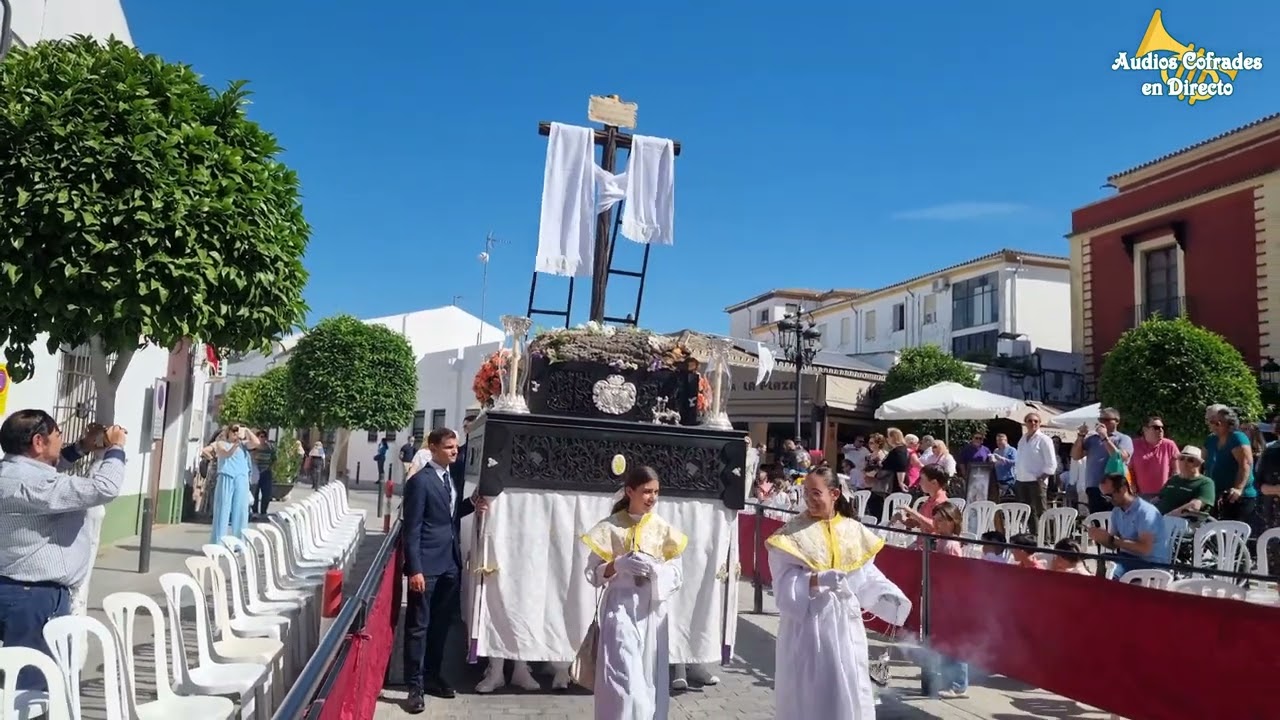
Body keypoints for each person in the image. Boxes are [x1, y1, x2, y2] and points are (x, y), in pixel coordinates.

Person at [767, 466, 911, 719]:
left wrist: (889, 594)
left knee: (850, 684)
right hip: (809, 626)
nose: (809, 500)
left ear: (834, 494)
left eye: (815, 493)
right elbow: (782, 581)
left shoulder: (853, 531)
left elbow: (865, 575)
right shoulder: (790, 534)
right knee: (814, 690)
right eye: (805, 493)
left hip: (845, 623)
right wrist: (816, 580)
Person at [0, 411, 128, 689]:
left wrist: (83, 447)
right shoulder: (37, 485)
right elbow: (104, 487)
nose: (61, 442)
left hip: (12, 588)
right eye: (58, 436)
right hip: (35, 599)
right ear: (38, 441)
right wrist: (116, 447)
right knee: (31, 687)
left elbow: (50, 470)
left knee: (12, 679)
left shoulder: (10, 473)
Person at [580, 466, 687, 719]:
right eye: (646, 491)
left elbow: (678, 574)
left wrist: (656, 571)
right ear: (630, 491)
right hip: (620, 610)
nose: (652, 498)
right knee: (624, 682)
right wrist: (616, 565)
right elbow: (592, 574)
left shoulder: (664, 530)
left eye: (656, 492)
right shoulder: (610, 528)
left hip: (652, 612)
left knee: (648, 680)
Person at [401, 427, 488, 712]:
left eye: (456, 447)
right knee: (419, 627)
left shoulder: (450, 478)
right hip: (426, 565)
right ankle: (414, 687)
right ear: (433, 447)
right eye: (449, 447)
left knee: (441, 625)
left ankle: (433, 675)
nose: (455, 451)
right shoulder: (420, 482)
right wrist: (415, 569)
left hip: (450, 562)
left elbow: (447, 517)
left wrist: (471, 505)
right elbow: (411, 529)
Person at [1086, 472, 1170, 578]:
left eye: (1109, 495)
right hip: (1128, 558)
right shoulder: (1117, 511)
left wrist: (1112, 540)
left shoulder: (1146, 512)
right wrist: (1101, 537)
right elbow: (1114, 544)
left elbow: (1145, 549)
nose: (1108, 500)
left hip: (1151, 564)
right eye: (1104, 497)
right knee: (1103, 560)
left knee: (1111, 570)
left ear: (1123, 489)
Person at [927, 501, 968, 699]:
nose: (938, 524)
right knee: (944, 642)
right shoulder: (940, 541)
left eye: (942, 521)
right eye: (936, 520)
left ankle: (957, 684)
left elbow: (955, 574)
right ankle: (947, 680)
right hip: (943, 596)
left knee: (954, 643)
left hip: (953, 598)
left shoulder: (951, 545)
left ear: (953, 522)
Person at [202, 424, 261, 544]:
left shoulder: (244, 445)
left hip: (241, 478)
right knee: (222, 509)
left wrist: (247, 430)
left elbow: (256, 443)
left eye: (237, 431)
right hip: (226, 477)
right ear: (228, 432)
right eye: (233, 431)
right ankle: (218, 542)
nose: (235, 433)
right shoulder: (220, 443)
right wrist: (235, 445)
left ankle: (239, 542)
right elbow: (226, 453)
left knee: (240, 510)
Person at [1071, 407, 1134, 514]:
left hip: (1115, 488)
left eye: (1107, 420)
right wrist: (1081, 436)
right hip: (1094, 487)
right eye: (1101, 420)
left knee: (1114, 521)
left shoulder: (1123, 438)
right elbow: (1075, 456)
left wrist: (1105, 438)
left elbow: (1120, 457)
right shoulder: (1093, 439)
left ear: (1117, 421)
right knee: (1097, 520)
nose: (1102, 423)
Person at [1205, 407, 1258, 526]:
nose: (1212, 425)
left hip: (1238, 498)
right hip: (1216, 496)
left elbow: (1245, 464)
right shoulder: (1211, 439)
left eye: (1216, 422)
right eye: (1210, 421)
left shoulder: (1237, 437)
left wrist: (1238, 488)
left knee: (1231, 538)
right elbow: (1202, 462)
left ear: (1229, 424)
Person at [1014, 412, 1059, 528]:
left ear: (1040, 423)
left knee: (1041, 511)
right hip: (1021, 480)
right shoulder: (1022, 439)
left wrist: (1043, 477)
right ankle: (1034, 538)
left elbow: (1052, 462)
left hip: (1036, 480)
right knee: (1028, 512)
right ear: (1025, 423)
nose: (1033, 423)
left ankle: (1046, 540)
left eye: (1036, 421)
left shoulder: (1044, 439)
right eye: (1030, 421)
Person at [1155, 445, 1216, 517]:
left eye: (1190, 460)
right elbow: (1158, 499)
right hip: (1158, 520)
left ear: (1199, 464)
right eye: (1182, 458)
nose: (1184, 462)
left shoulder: (1205, 483)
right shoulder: (1173, 479)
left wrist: (1168, 516)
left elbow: (1194, 505)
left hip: (1185, 524)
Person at [250, 430, 277, 517]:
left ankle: (263, 511)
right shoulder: (254, 448)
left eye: (264, 437)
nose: (263, 439)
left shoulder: (270, 448)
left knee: (266, 493)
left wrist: (270, 467)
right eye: (261, 436)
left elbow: (274, 459)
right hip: (256, 472)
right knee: (255, 493)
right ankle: (254, 511)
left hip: (266, 472)